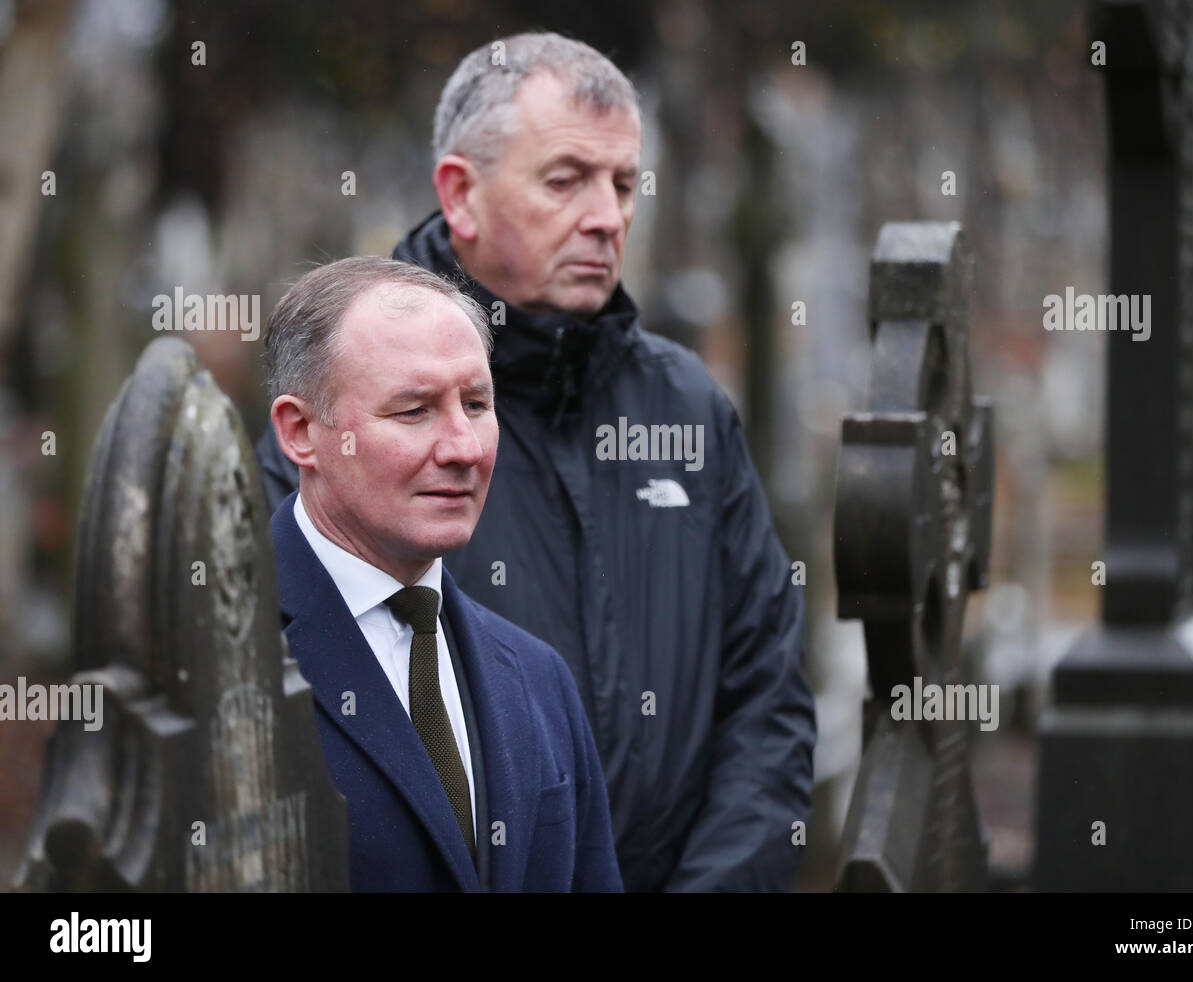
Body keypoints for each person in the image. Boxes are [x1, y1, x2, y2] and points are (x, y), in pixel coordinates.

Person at [256, 33, 816, 892]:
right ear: (461, 195)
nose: (606, 216)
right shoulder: (339, 394)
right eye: (566, 180)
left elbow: (768, 700)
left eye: (624, 184)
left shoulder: (687, 409)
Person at [263, 255, 621, 892]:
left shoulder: (539, 679)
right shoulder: (215, 662)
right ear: (301, 432)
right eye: (414, 411)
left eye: (477, 404)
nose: (464, 448)